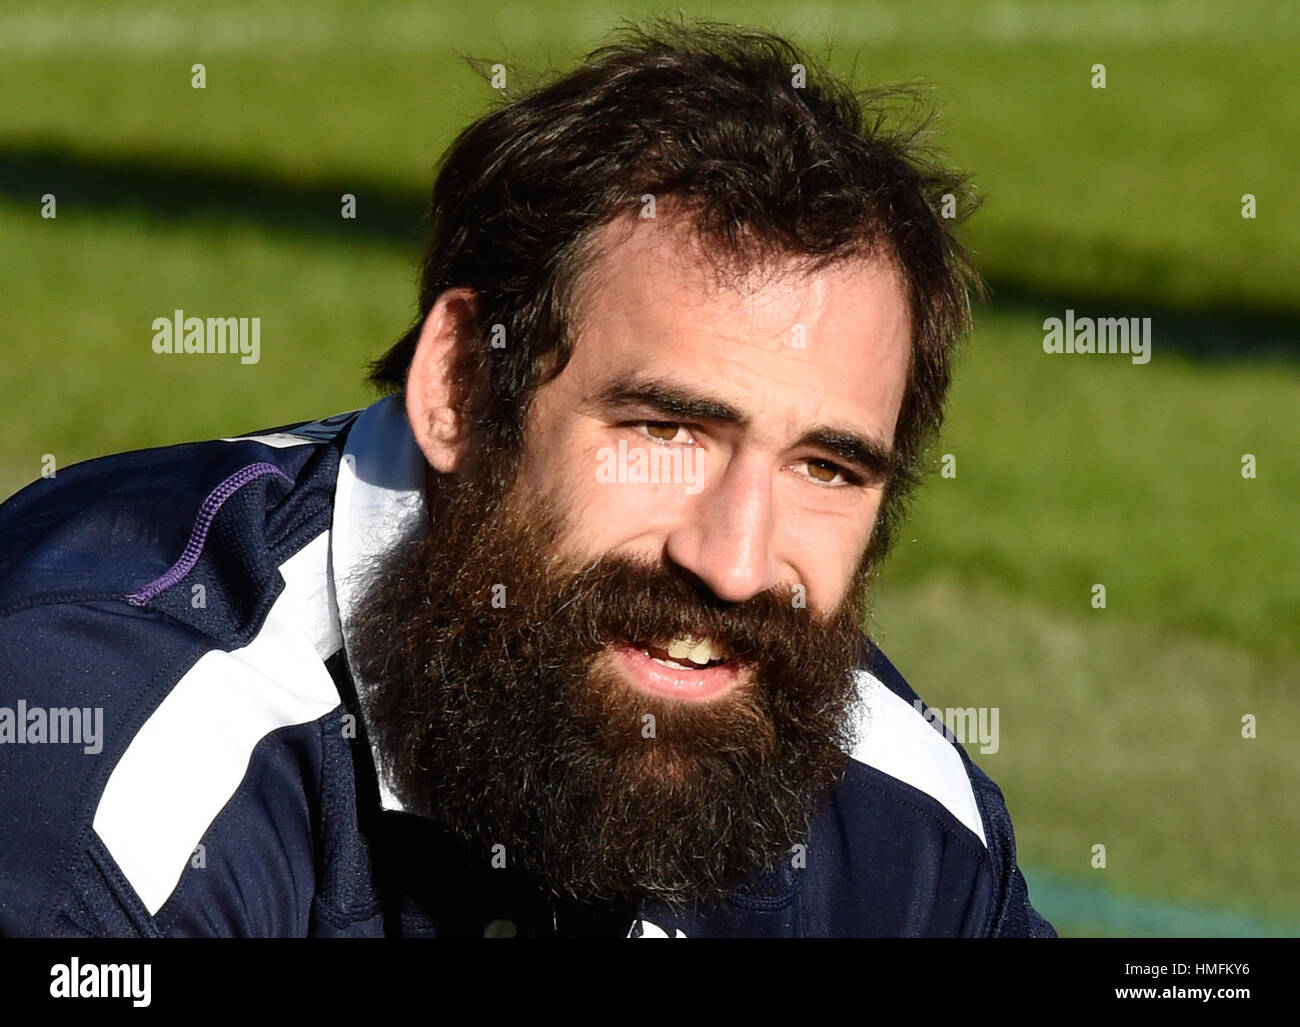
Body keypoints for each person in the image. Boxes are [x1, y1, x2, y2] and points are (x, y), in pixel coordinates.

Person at [0, 21, 1055, 937]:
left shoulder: (901, 833)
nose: (733, 564)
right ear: (460, 385)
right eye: (666, 430)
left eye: (825, 466)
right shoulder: (106, 773)